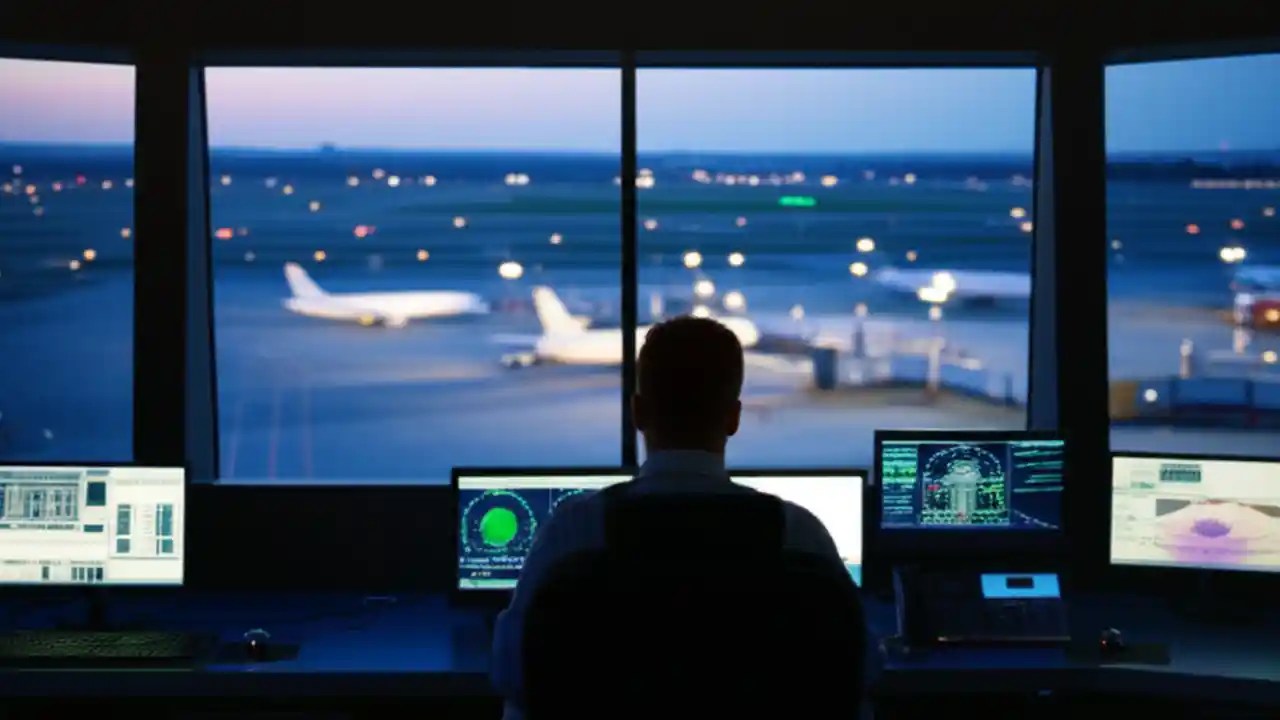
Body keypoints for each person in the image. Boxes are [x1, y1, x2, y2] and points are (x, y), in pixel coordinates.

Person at [490, 316, 848, 719]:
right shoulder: (799, 536)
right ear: (734, 418)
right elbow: (855, 673)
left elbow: (512, 672)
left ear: (637, 413)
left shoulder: (574, 533)